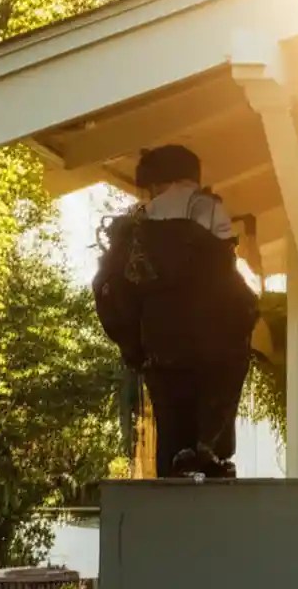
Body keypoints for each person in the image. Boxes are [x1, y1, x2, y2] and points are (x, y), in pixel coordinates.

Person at [93, 144, 257, 478]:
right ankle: (209, 454)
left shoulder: (137, 226)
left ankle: (175, 475)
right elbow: (229, 278)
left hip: (160, 344)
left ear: (152, 183)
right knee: (211, 441)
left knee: (171, 440)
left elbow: (110, 292)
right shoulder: (208, 209)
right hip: (216, 342)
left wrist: (135, 349)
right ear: (190, 176)